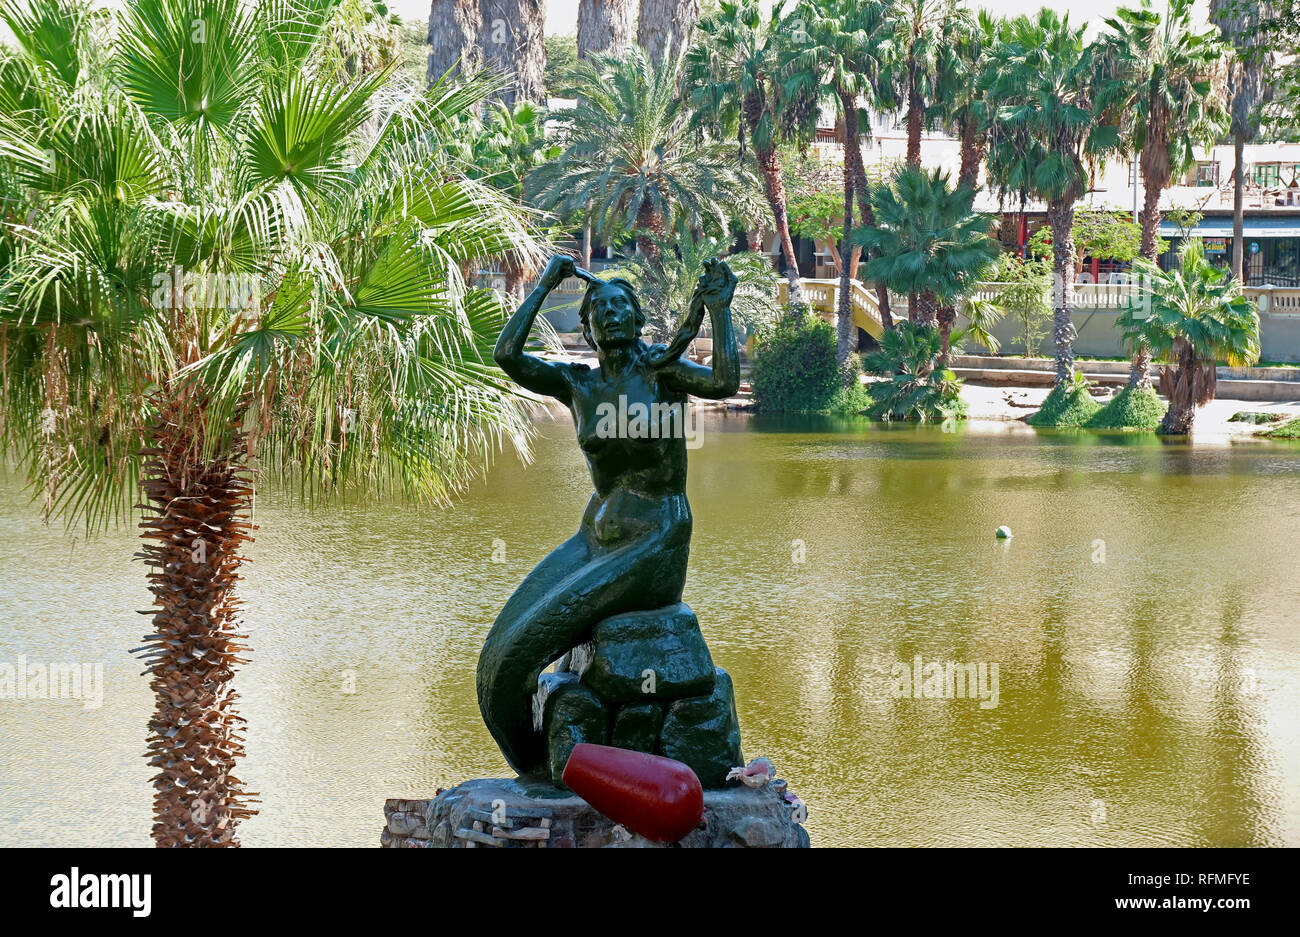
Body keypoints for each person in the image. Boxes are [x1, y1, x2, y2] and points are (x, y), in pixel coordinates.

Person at [478, 254, 739, 775]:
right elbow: (506, 354)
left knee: (523, 651)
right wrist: (546, 282)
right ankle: (535, 764)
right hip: (594, 534)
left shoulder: (662, 373)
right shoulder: (578, 384)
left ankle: (547, 766)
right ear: (589, 326)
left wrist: (721, 311)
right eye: (602, 307)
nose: (613, 313)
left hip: (657, 536)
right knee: (498, 659)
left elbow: (725, 382)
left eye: (623, 305)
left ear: (639, 320)